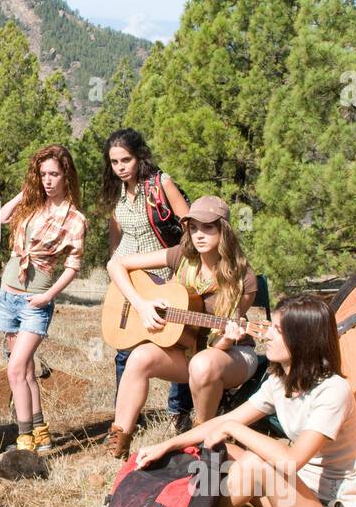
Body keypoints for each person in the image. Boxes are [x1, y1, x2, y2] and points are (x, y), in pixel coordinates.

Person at [128, 295, 356, 507]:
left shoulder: (333, 391)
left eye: (277, 330)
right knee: (224, 451)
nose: (266, 334)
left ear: (302, 339)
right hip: (296, 498)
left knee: (257, 464)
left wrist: (234, 428)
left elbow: (293, 460)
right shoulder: (280, 383)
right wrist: (166, 445)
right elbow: (219, 423)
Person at [103, 195, 259, 459]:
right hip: (188, 349)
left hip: (232, 354)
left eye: (208, 227)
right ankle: (119, 442)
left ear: (224, 230)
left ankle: (202, 443)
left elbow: (220, 342)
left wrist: (228, 339)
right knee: (140, 357)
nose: (199, 234)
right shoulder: (181, 257)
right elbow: (115, 264)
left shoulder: (243, 277)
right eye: (194, 227)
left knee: (203, 364)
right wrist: (142, 304)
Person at [0, 144, 87, 452]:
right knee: (26, 369)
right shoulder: (31, 206)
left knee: (16, 369)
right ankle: (41, 431)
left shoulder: (73, 219)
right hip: (9, 294)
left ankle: (24, 443)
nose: (48, 180)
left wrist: (48, 295)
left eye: (54, 174)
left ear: (66, 176)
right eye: (42, 174)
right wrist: (25, 191)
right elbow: (0, 218)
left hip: (36, 301)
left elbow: (73, 267)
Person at [100, 128, 191, 419]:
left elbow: (189, 227)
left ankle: (180, 413)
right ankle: (124, 418)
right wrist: (116, 275)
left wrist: (182, 275)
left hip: (165, 276)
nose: (120, 168)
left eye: (126, 160)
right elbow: (116, 238)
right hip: (129, 279)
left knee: (177, 341)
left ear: (140, 156)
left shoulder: (160, 184)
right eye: (114, 162)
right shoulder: (116, 191)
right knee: (125, 348)